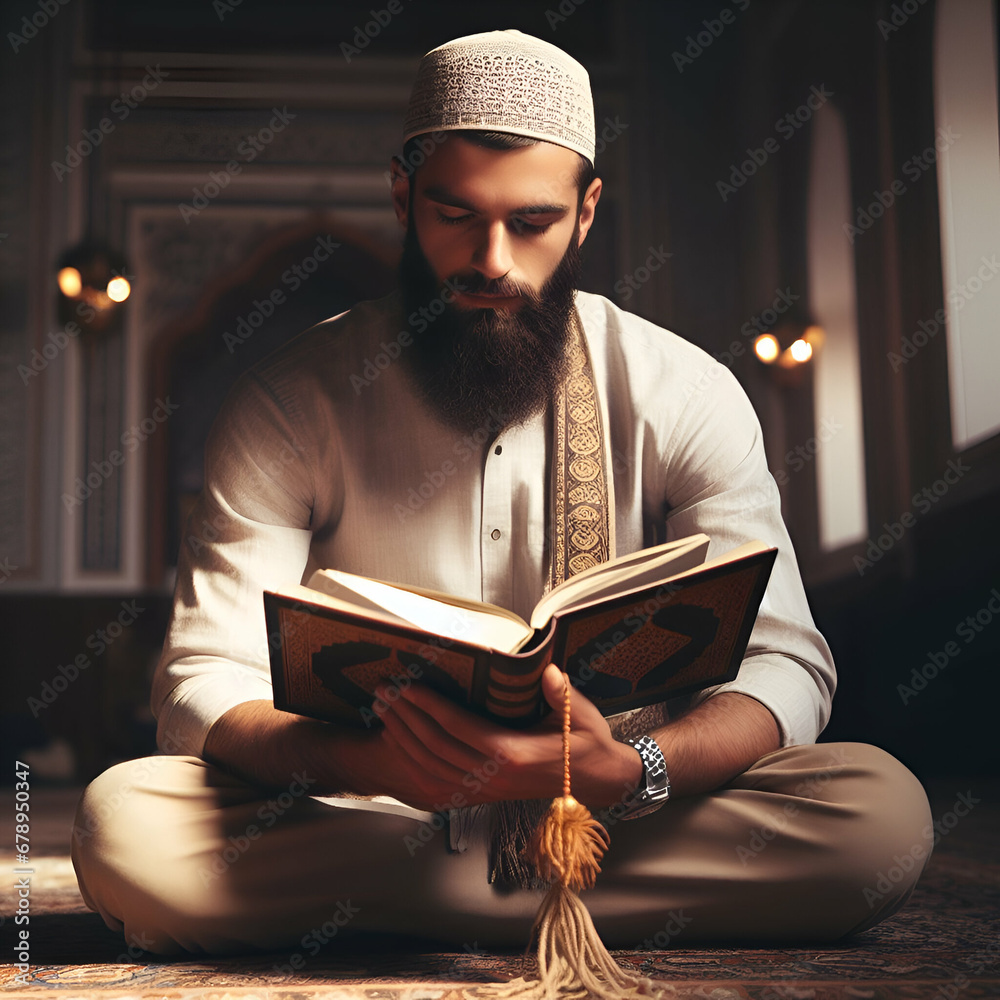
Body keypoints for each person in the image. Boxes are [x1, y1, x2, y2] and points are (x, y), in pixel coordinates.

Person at [72, 30, 932, 957]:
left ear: (586, 212)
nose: (492, 260)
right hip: (373, 815)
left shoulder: (682, 389)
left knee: (878, 817)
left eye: (531, 222)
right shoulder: (294, 399)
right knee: (124, 822)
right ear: (403, 196)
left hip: (615, 822)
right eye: (454, 214)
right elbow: (203, 680)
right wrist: (366, 761)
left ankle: (401, 909)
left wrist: (628, 770)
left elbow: (786, 663)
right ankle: (529, 903)